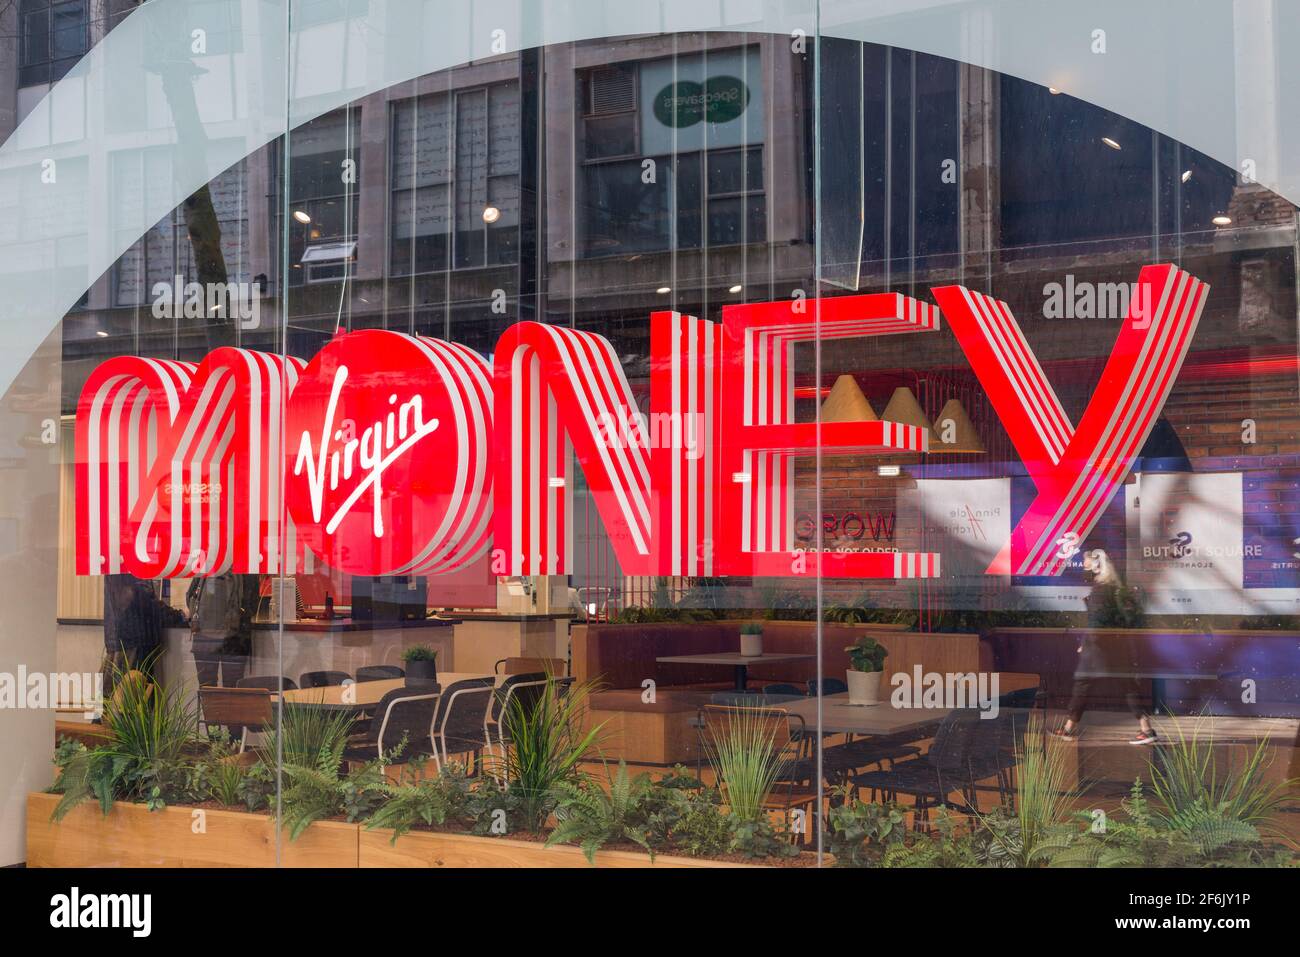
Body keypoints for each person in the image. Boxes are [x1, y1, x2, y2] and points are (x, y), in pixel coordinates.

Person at [1052, 549, 1158, 746]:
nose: (1083, 564)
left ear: (1096, 564)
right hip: (1113, 645)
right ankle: (1146, 728)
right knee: (1125, 685)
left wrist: (1087, 642)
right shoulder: (1111, 587)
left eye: (1086, 561)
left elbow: (1098, 621)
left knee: (1083, 683)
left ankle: (1069, 729)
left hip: (1100, 648)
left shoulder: (1101, 589)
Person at [102, 574, 184, 698]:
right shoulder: (131, 565)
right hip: (135, 639)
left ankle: (100, 717)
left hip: (121, 637)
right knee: (133, 698)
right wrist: (178, 617)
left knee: (112, 695)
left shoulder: (115, 563)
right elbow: (145, 600)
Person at [185, 572, 250, 688]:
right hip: (233, 638)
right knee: (232, 690)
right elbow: (250, 605)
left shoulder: (206, 565)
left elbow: (190, 595)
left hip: (203, 637)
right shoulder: (242, 566)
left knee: (207, 688)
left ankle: (210, 706)